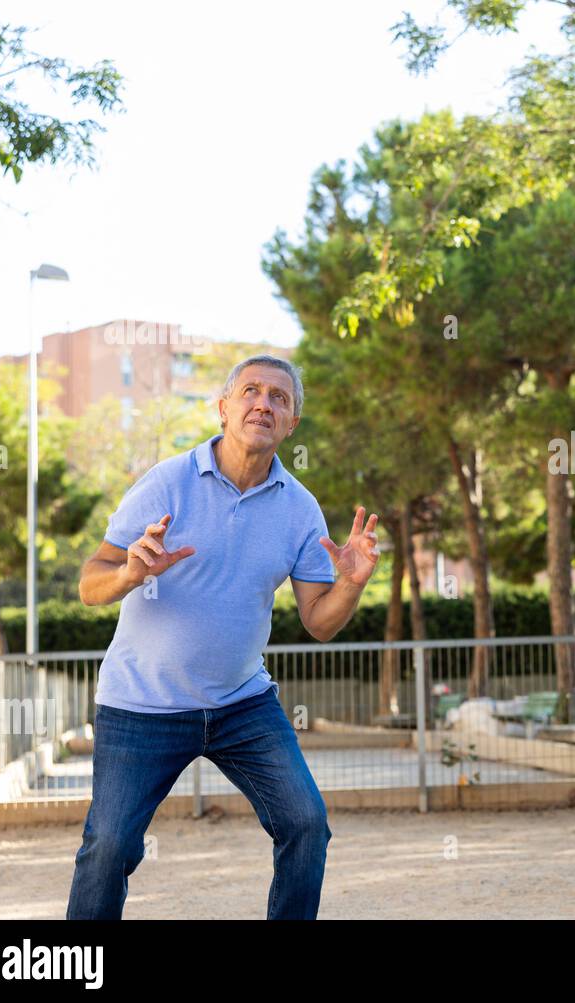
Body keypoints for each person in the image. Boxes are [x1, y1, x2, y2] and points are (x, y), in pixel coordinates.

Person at [66, 354, 381, 920]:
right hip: (142, 704)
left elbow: (320, 622)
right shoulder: (166, 483)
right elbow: (91, 583)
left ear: (291, 424)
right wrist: (129, 574)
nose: (264, 403)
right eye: (251, 392)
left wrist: (352, 584)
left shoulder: (301, 510)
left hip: (241, 704)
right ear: (224, 409)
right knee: (109, 847)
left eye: (279, 398)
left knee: (306, 824)